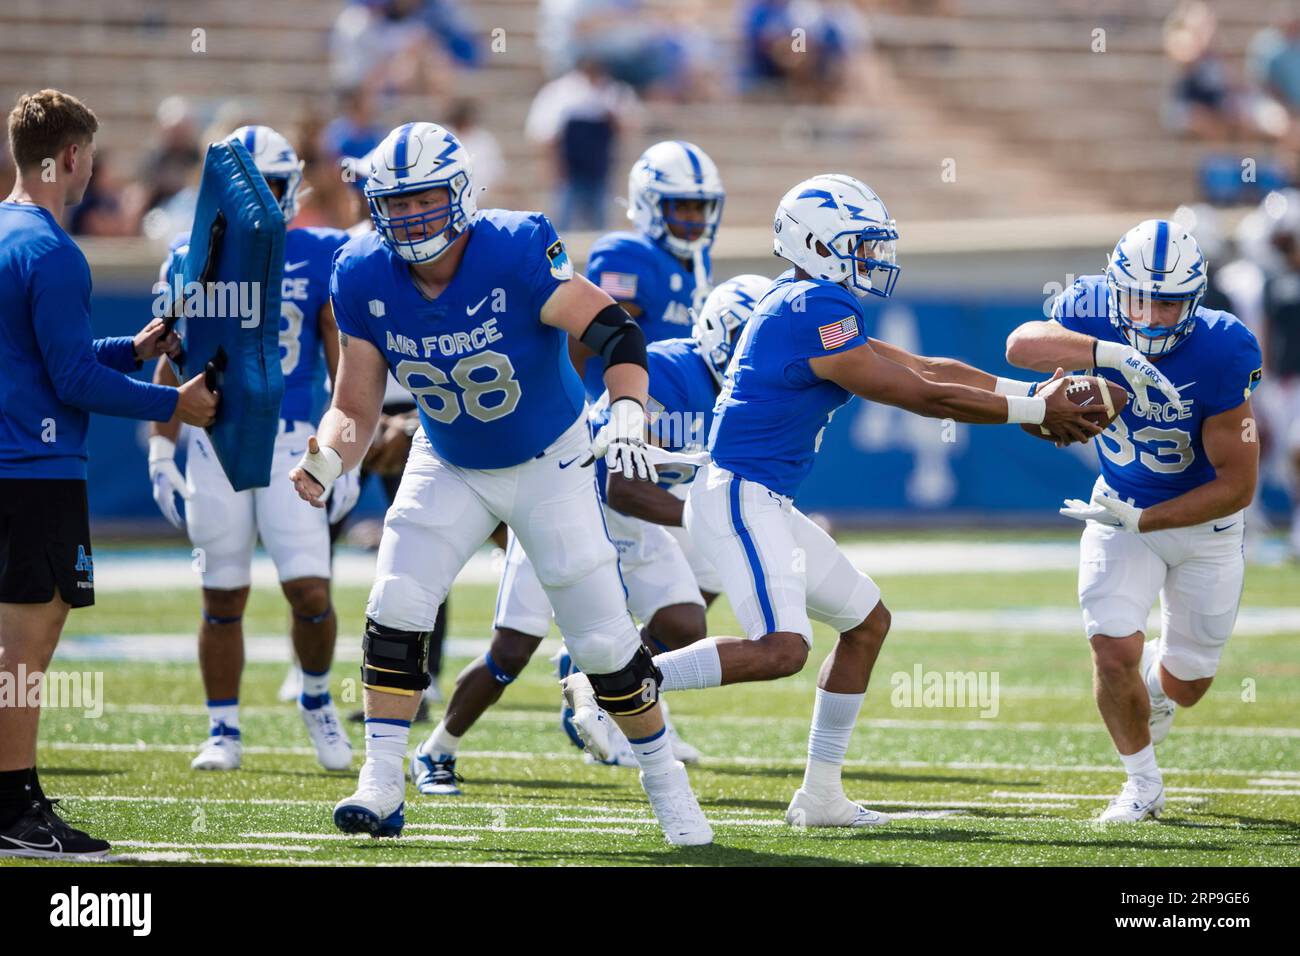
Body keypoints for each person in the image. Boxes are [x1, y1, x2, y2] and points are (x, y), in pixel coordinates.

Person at [290, 121, 712, 845]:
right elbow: (353, 406)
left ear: (460, 194)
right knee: (395, 599)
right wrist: (329, 457)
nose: (413, 216)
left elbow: (616, 332)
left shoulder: (515, 247)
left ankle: (666, 783)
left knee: (606, 644)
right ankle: (382, 779)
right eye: (397, 203)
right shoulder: (360, 268)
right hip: (449, 456)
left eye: (426, 199)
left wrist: (629, 412)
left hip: (550, 460)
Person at [646, 173, 1108, 828]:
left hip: (760, 499)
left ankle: (821, 796)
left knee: (866, 621)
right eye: (860, 243)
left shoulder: (812, 301)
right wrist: (1032, 407)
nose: (873, 256)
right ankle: (626, 681)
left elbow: (930, 371)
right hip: (737, 497)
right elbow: (920, 398)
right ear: (816, 242)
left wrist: (1022, 396)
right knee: (782, 650)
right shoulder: (809, 309)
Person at [410, 274, 768, 795]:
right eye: (744, 340)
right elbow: (622, 488)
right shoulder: (669, 370)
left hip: (632, 522)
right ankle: (436, 749)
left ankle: (595, 684)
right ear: (717, 331)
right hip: (569, 504)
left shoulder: (739, 399)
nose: (749, 355)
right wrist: (706, 519)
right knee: (511, 650)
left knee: (685, 621)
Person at [0, 90, 217, 858]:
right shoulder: (53, 249)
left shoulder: (7, 234)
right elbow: (69, 381)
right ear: (67, 158)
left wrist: (130, 347)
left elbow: (39, 359)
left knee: (15, 640)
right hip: (34, 466)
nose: (94, 169)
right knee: (26, 645)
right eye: (88, 154)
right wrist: (173, 401)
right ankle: (14, 802)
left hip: (14, 459)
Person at [1006, 219, 1262, 822]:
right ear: (1114, 289)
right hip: (1119, 508)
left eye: (1169, 304)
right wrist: (1107, 354)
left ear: (1196, 301)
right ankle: (1142, 786)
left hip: (1204, 527)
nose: (1151, 316)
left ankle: (1157, 685)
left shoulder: (1225, 347)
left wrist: (1147, 520)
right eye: (1138, 298)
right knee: (1110, 647)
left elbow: (1239, 485)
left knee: (1187, 684)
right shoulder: (1089, 305)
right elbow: (1019, 346)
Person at [149, 126, 361, 773]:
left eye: (272, 190)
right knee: (222, 596)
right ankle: (224, 728)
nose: (262, 208)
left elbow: (345, 363)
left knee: (310, 591)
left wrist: (340, 452)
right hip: (217, 440)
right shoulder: (193, 255)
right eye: (253, 192)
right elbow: (169, 358)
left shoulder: (322, 252)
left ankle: (319, 700)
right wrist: (162, 452)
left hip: (293, 441)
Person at [577, 140, 723, 398]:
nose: (694, 217)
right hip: (620, 407)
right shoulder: (627, 254)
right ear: (649, 202)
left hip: (675, 408)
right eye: (681, 206)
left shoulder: (700, 260)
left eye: (701, 207)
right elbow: (581, 341)